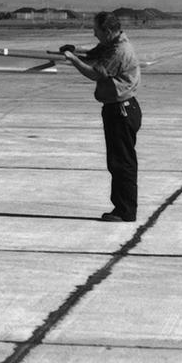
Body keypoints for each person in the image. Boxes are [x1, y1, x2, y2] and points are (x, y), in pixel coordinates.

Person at [59, 12, 143, 222]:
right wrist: (75, 50)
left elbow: (94, 72)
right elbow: (95, 53)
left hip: (121, 110)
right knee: (117, 162)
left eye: (96, 30)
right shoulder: (113, 43)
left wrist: (73, 59)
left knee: (122, 163)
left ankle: (125, 211)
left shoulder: (119, 50)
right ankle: (122, 208)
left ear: (107, 31)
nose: (93, 33)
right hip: (120, 107)